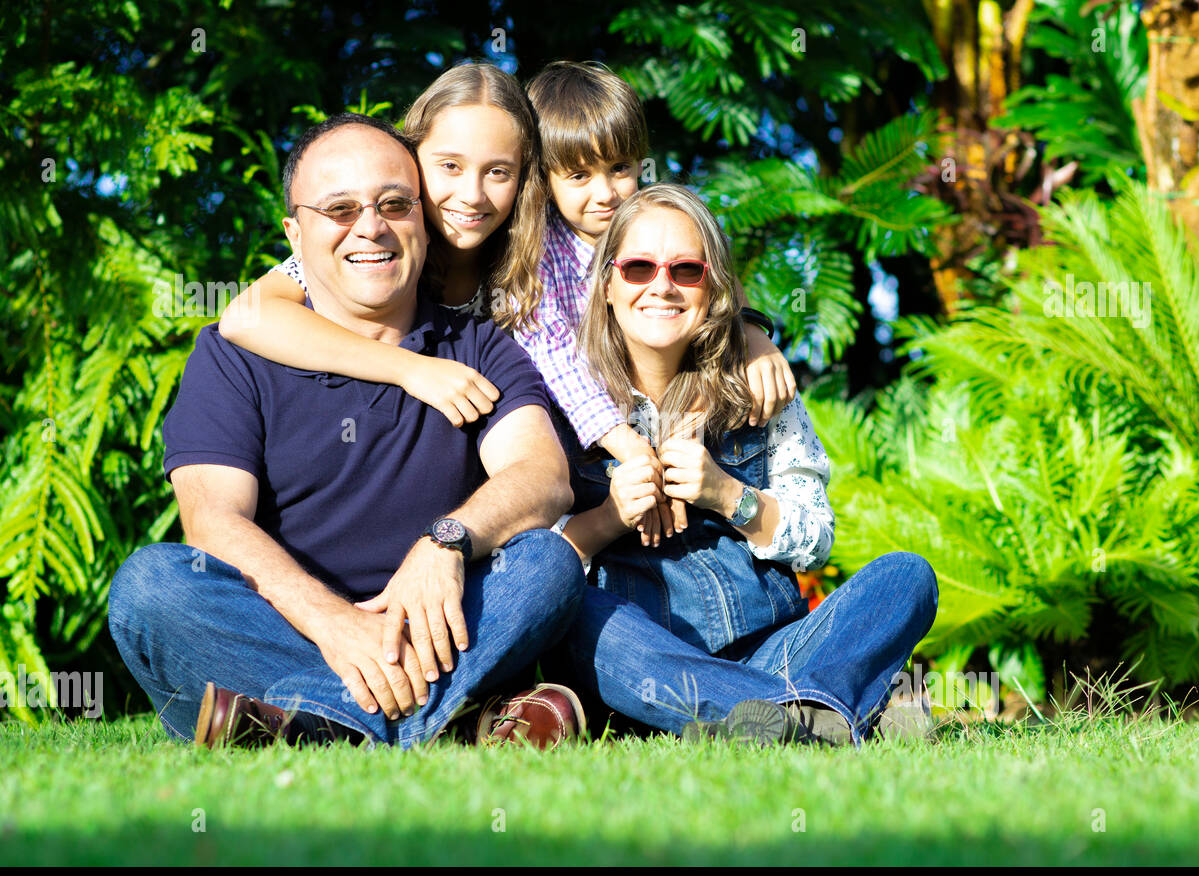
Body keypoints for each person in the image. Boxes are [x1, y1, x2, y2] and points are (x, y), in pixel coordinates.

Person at [107, 112, 587, 750]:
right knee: (152, 585)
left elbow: (542, 477)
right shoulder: (234, 356)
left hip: (444, 628)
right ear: (294, 233)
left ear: (422, 219)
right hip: (288, 626)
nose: (371, 227)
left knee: (546, 562)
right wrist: (335, 625)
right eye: (339, 209)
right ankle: (442, 725)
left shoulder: (478, 346)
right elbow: (213, 523)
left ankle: (309, 726)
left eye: (395, 204)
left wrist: (443, 543)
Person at [216, 60, 797, 547]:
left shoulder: (538, 254)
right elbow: (246, 315)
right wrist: (412, 369)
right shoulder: (381, 246)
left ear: (526, 179)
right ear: (411, 158)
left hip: (526, 486)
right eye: (447, 167)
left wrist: (748, 330)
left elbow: (681, 257)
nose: (471, 195)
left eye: (498, 172)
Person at [555, 184, 939, 746]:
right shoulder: (567, 402)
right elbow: (533, 555)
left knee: (908, 576)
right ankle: (818, 712)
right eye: (638, 267)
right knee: (577, 615)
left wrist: (728, 494)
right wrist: (613, 516)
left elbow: (817, 539)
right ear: (607, 284)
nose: (661, 285)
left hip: (774, 648)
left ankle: (761, 715)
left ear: (715, 291)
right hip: (647, 659)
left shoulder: (761, 393)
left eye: (686, 271)